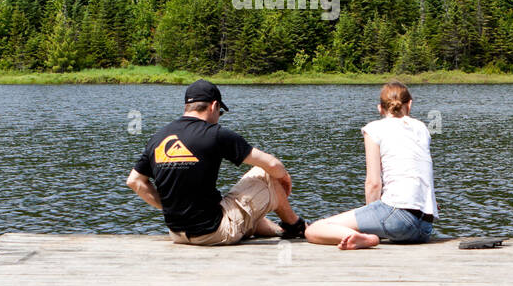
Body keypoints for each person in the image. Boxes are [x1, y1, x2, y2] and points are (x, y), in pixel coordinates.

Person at [127, 79, 307, 245]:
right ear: (214, 106)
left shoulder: (159, 137)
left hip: (177, 234)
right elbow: (272, 165)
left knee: (232, 206)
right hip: (213, 232)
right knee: (265, 173)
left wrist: (169, 207)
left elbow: (134, 181)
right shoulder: (216, 133)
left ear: (187, 107)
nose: (219, 117)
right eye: (220, 112)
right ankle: (295, 226)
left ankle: (278, 230)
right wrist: (284, 177)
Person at [304, 80, 436, 249]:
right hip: (425, 227)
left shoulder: (374, 129)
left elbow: (373, 183)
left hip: (397, 217)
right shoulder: (422, 128)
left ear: (380, 108)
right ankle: (370, 234)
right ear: (409, 105)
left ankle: (365, 237)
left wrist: (370, 221)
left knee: (315, 230)